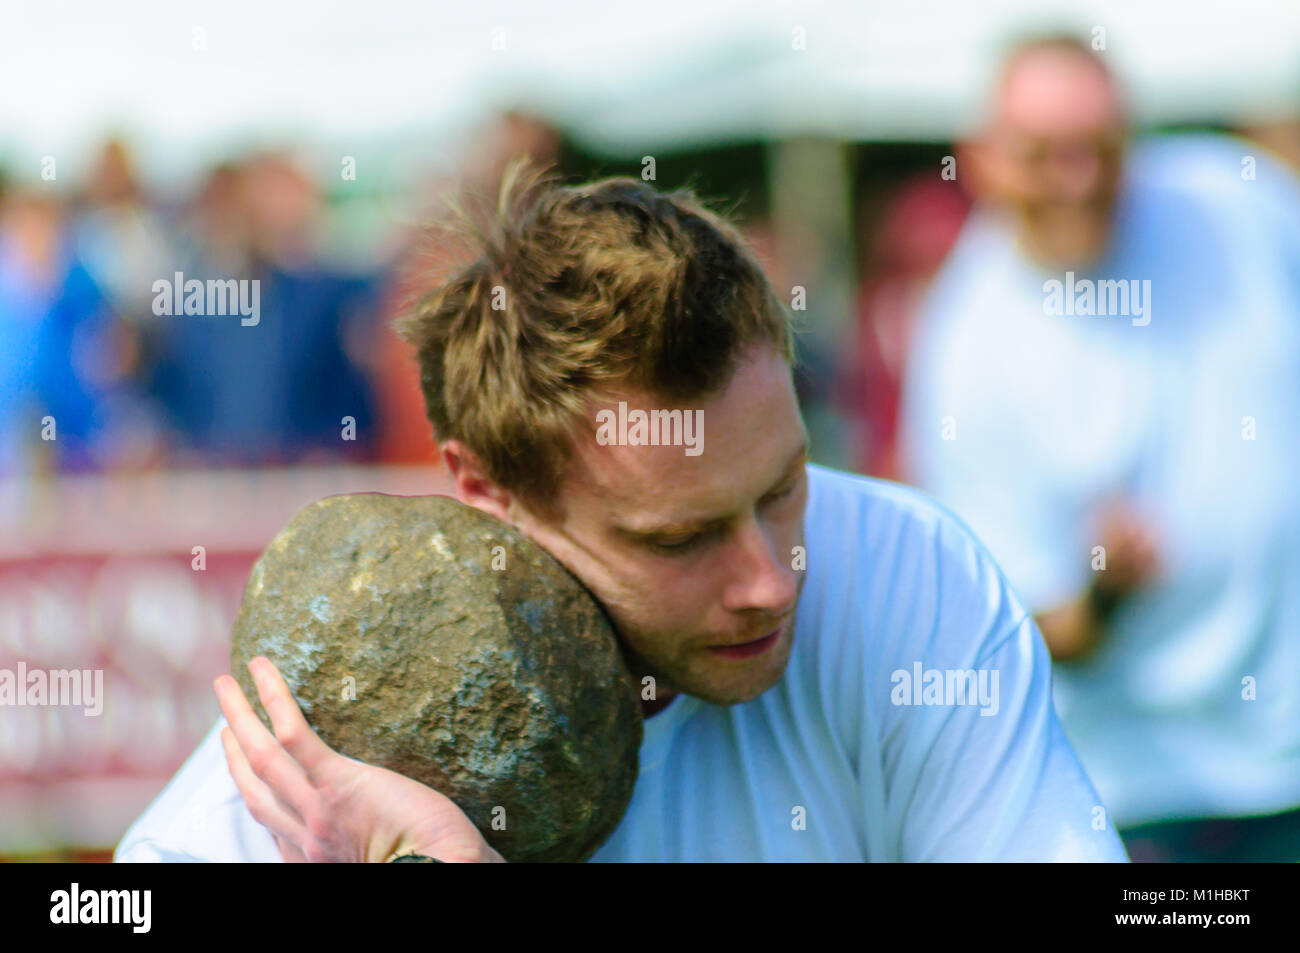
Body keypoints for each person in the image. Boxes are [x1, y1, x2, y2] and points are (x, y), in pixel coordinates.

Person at [116, 163, 1127, 862]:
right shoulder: (320, 761)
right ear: (486, 491)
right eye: (677, 535)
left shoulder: (911, 578)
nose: (771, 578)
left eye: (781, 487)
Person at [900, 35, 1300, 860]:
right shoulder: (966, 348)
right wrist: (1103, 594)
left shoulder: (1233, 197)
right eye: (1046, 155)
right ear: (981, 160)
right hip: (1143, 791)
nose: (1079, 179)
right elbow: (1014, 628)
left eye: (1101, 148)